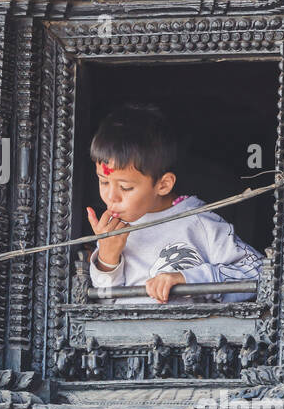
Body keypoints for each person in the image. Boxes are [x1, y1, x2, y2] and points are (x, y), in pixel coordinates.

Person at [86, 103, 262, 304]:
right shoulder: (111, 233)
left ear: (163, 185)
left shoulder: (199, 223)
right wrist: (107, 260)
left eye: (125, 188)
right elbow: (105, 308)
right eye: (103, 181)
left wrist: (187, 280)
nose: (111, 196)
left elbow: (258, 273)